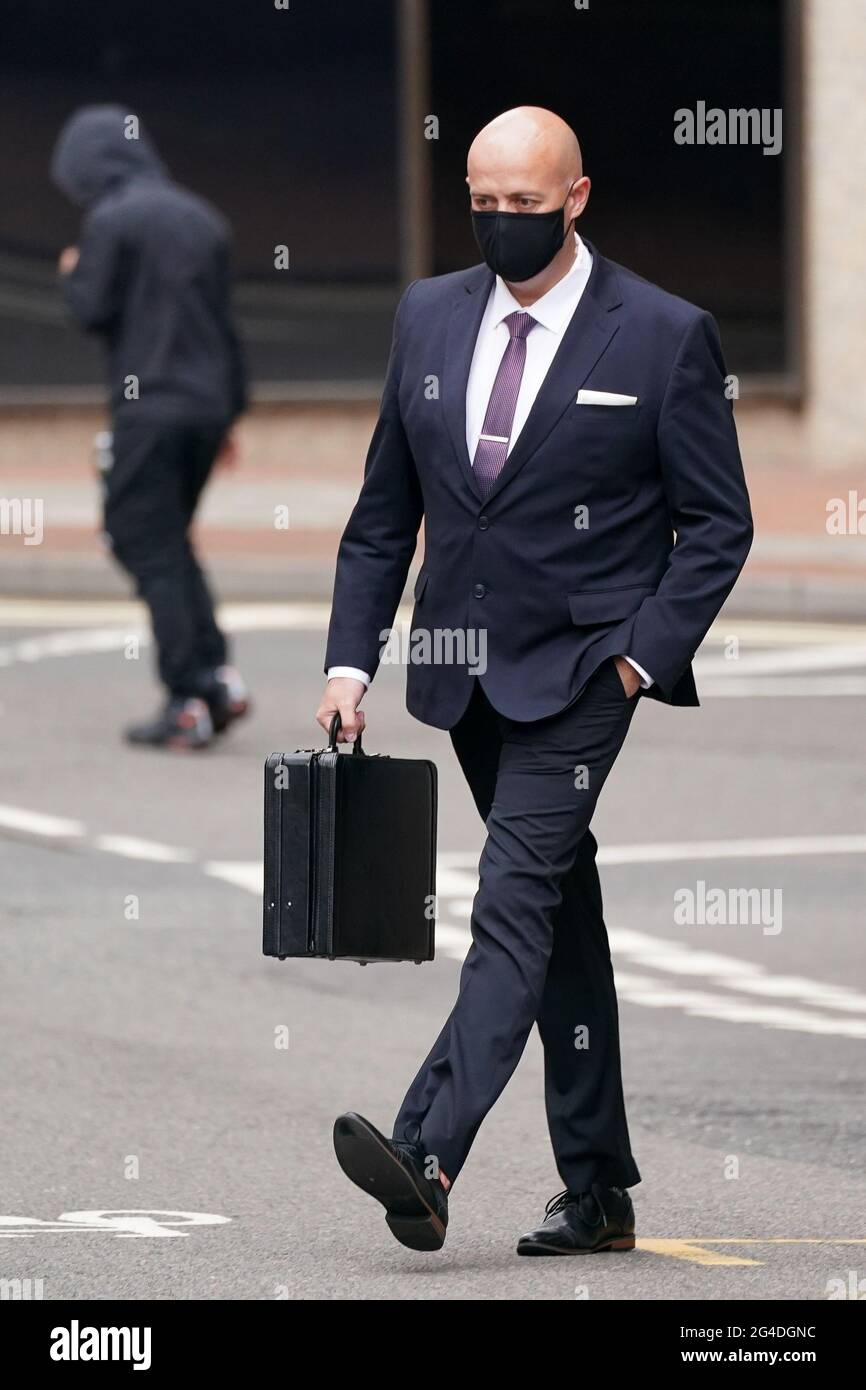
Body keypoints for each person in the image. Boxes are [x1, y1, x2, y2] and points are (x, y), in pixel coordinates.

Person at [317, 107, 753, 1255]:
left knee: (511, 903)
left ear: (575, 196)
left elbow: (717, 525)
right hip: (459, 673)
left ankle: (426, 1151)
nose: (498, 221)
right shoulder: (425, 314)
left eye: (522, 202)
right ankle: (599, 1186)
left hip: (581, 674)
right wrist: (348, 660)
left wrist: (635, 658)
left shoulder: (662, 335)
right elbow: (383, 515)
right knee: (560, 915)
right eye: (481, 199)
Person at [51, 105, 250, 749]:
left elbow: (91, 308)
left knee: (138, 537)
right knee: (167, 538)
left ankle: (190, 692)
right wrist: (231, 413)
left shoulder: (110, 220)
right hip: (206, 406)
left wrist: (71, 271)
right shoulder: (203, 217)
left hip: (149, 407)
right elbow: (225, 325)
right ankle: (215, 674)